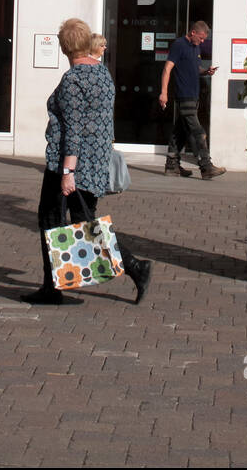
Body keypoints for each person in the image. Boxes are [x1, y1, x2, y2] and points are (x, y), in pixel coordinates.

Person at [23, 18, 153, 305]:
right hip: (94, 162)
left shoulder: (73, 80)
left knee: (51, 218)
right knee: (84, 221)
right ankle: (130, 268)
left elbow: (73, 130)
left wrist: (68, 171)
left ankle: (54, 287)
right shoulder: (103, 74)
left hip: (67, 164)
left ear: (64, 47)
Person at [159, 20, 225, 179]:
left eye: (204, 40)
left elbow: (195, 68)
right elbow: (167, 68)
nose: (202, 42)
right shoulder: (179, 45)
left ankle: (172, 166)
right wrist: (164, 92)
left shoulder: (196, 48)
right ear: (193, 32)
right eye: (201, 38)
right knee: (198, 132)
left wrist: (205, 72)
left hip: (194, 96)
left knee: (180, 131)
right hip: (184, 95)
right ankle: (206, 166)